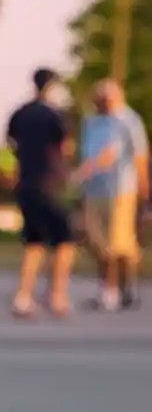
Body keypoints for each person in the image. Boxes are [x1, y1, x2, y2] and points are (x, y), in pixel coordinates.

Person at [74, 79, 149, 311]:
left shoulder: (128, 120)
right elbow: (85, 152)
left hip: (120, 188)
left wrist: (144, 187)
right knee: (97, 241)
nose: (100, 103)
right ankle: (113, 289)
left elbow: (138, 155)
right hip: (94, 189)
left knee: (117, 243)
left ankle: (116, 291)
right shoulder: (91, 121)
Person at [6, 68, 75, 318]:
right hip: (49, 184)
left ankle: (23, 297)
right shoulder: (54, 116)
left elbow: (11, 144)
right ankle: (57, 295)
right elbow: (63, 149)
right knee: (64, 239)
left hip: (25, 183)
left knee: (33, 241)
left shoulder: (20, 114)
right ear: (52, 87)